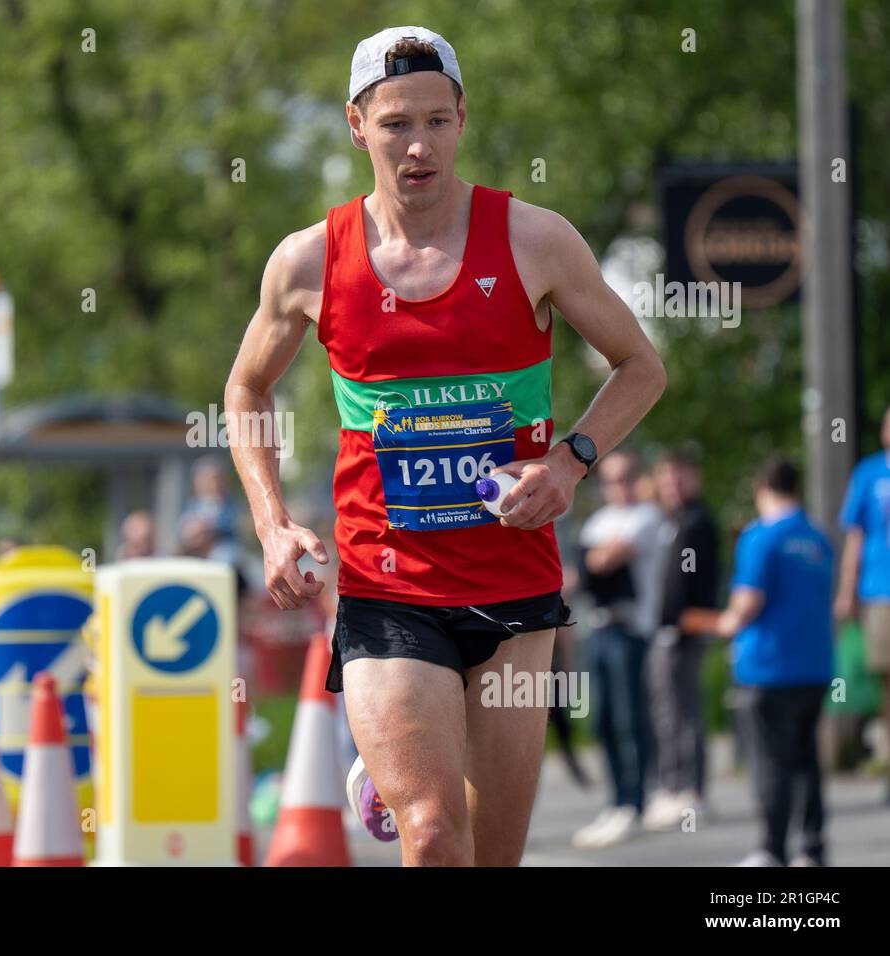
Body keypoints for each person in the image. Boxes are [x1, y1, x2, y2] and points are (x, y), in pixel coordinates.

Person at [223, 26, 665, 865]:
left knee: (490, 855)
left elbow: (641, 366)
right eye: (394, 124)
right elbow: (246, 388)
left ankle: (394, 767)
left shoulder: (535, 239)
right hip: (386, 582)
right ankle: (398, 768)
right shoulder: (310, 261)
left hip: (514, 583)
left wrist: (571, 461)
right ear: (357, 126)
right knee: (431, 834)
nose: (418, 145)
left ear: (463, 118)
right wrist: (273, 523)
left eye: (435, 120)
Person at [716, 457, 834, 867]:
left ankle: (772, 849)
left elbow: (748, 601)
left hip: (768, 667)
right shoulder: (817, 538)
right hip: (815, 665)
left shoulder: (760, 536)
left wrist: (725, 624)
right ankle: (813, 849)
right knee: (807, 762)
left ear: (761, 489)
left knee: (771, 763)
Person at [570, 451, 665, 848]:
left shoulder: (647, 517)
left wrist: (590, 560)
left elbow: (605, 559)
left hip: (632, 628)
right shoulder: (599, 521)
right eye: (610, 480)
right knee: (604, 720)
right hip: (600, 628)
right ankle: (618, 799)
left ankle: (637, 800)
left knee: (631, 718)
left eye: (624, 478)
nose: (617, 487)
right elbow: (581, 568)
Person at [644, 445, 720, 830]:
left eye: (680, 475)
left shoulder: (697, 522)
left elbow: (693, 584)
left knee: (682, 713)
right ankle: (673, 785)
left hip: (684, 632)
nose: (672, 483)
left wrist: (686, 622)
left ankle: (687, 788)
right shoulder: (669, 521)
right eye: (666, 476)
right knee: (667, 713)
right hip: (665, 631)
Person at [835, 405, 890, 802]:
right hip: (879, 590)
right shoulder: (869, 474)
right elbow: (854, 538)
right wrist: (846, 590)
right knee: (885, 679)